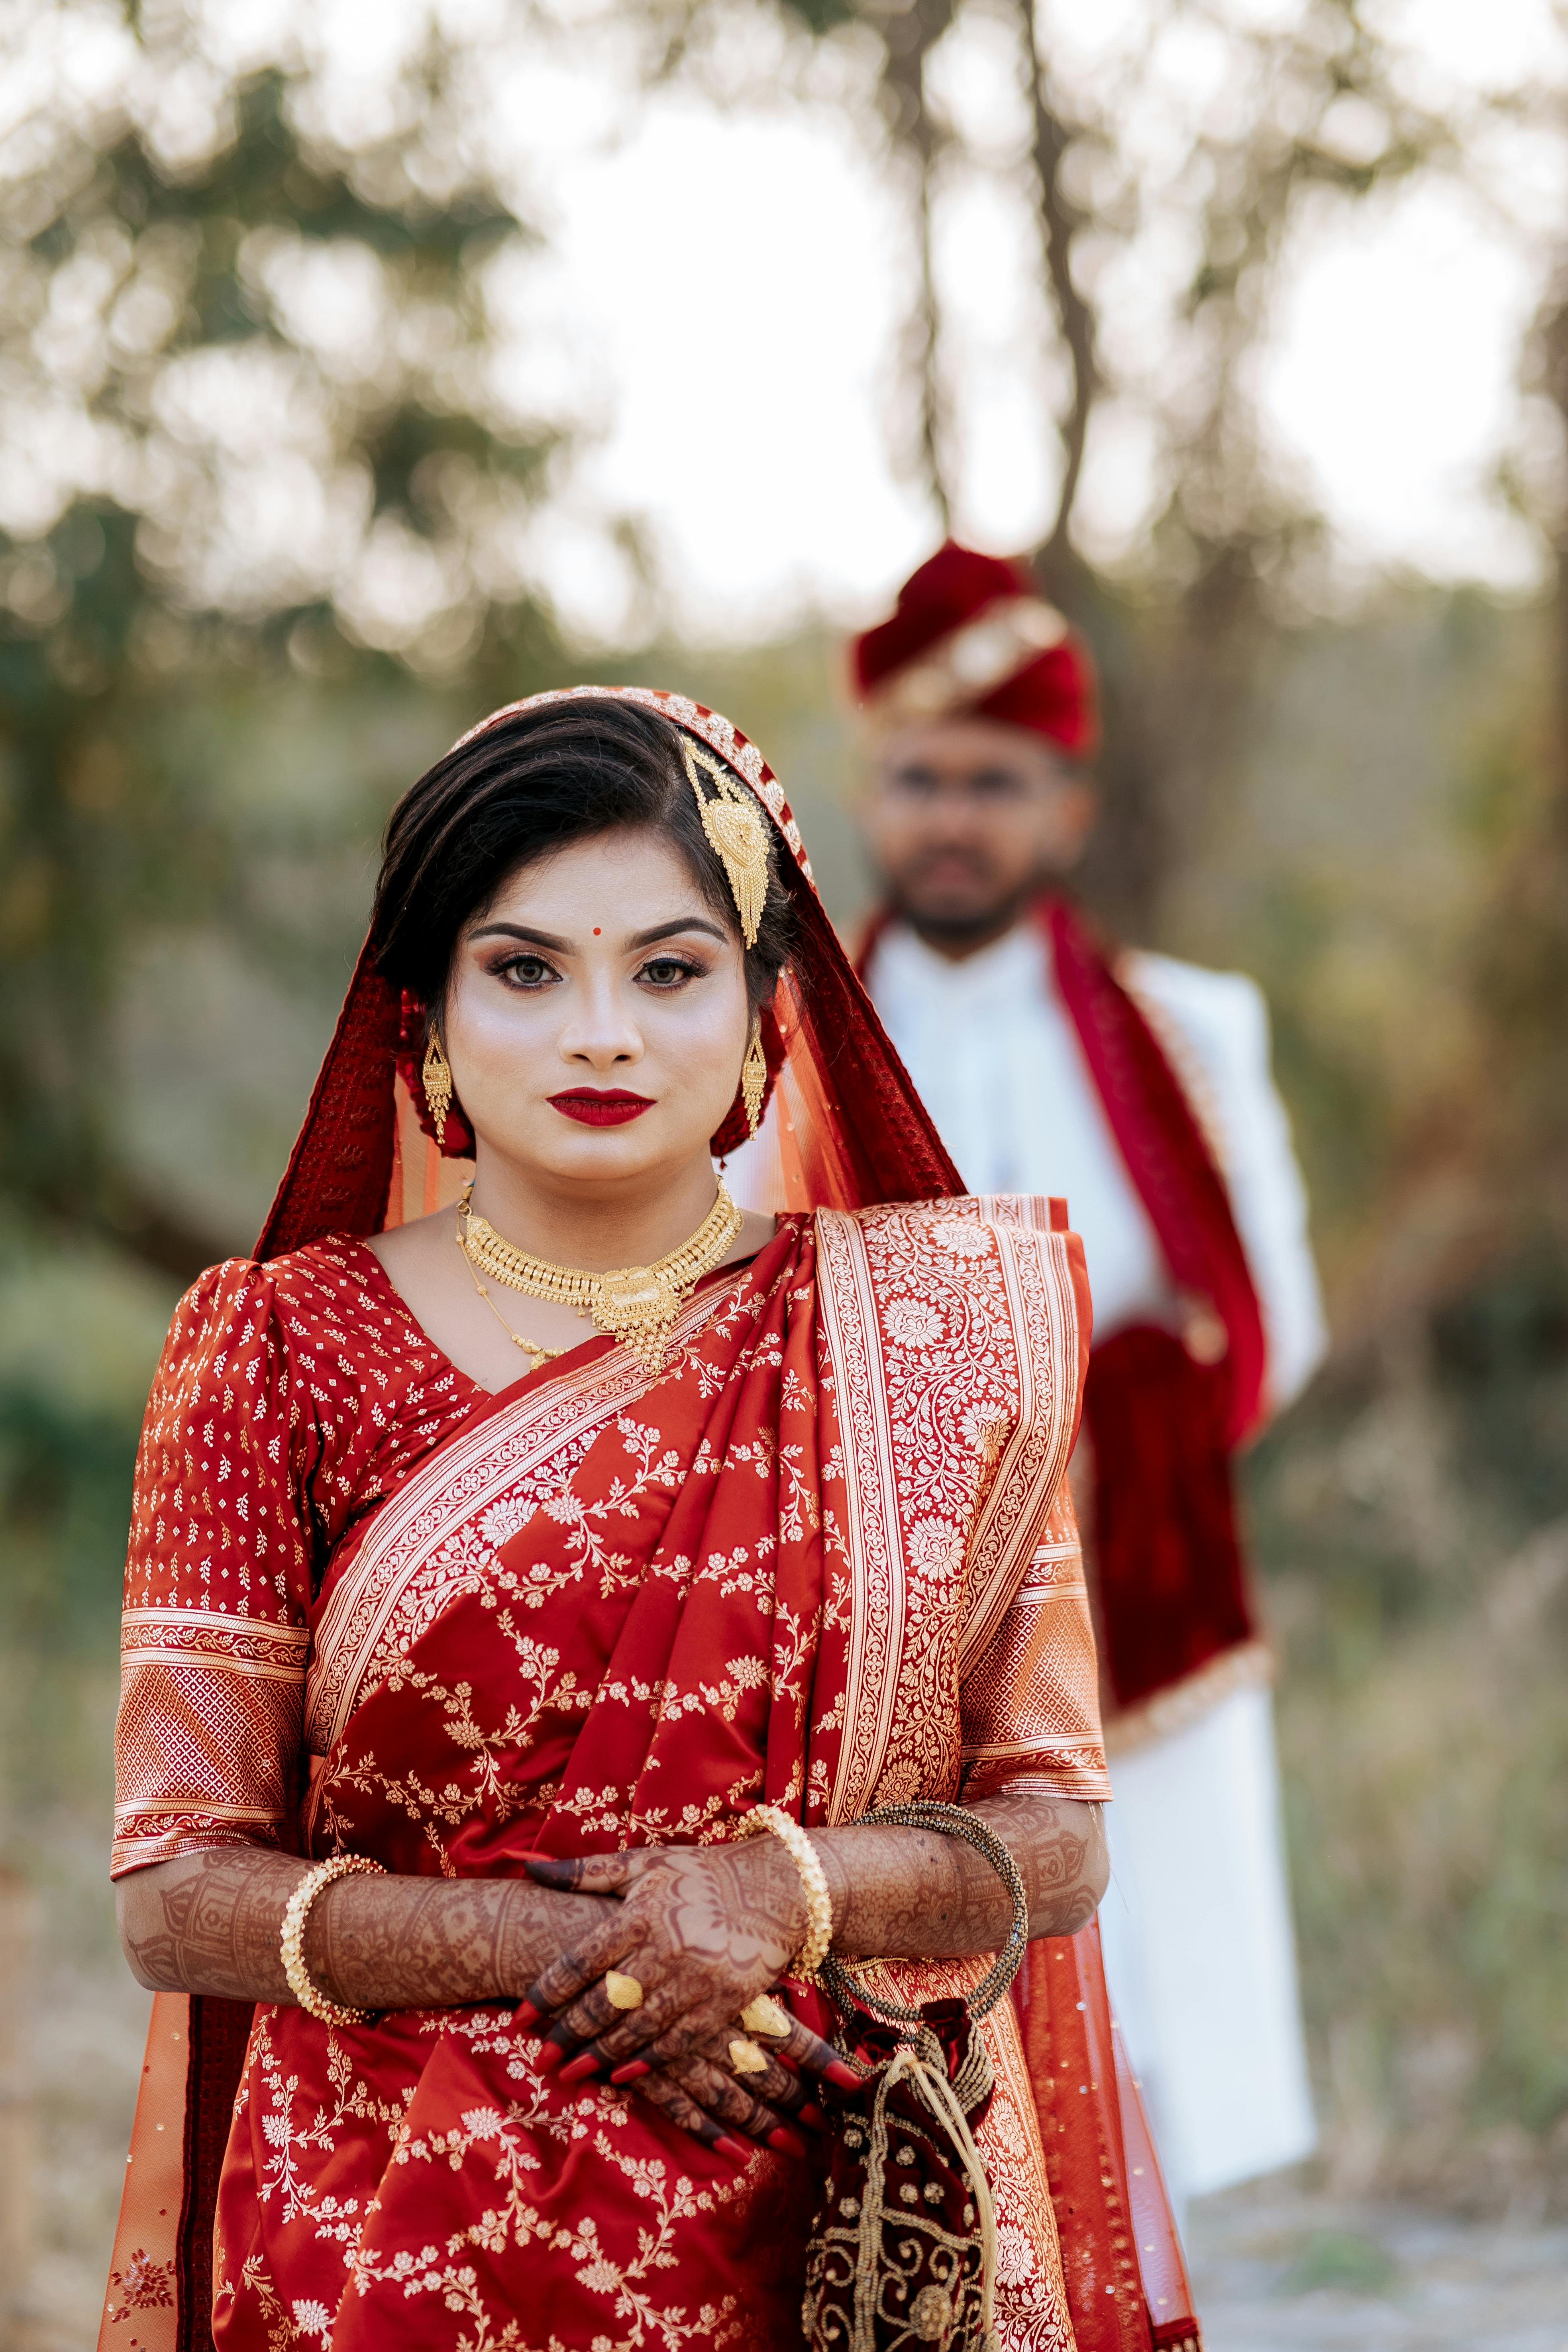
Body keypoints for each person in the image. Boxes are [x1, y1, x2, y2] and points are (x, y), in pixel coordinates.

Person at [100, 687, 1203, 2352]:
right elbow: (174, 1889)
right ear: (427, 1017)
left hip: (830, 2221)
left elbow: (1060, 1838)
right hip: (386, 2236)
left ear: (769, 1014)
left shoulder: (927, 1346)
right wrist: (566, 1945)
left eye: (671, 971)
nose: (601, 1032)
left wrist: (785, 1899)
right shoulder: (271, 1348)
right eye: (526, 970)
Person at [729, 546, 1326, 2219]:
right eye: (921, 780)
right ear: (868, 793)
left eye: (994, 783)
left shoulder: (1192, 1033)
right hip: (869, 1618)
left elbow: (1273, 1327)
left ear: (1066, 807)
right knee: (886, 2069)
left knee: (1135, 2084)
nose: (953, 819)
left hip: (1135, 1601)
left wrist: (1081, 1450)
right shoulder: (774, 1046)